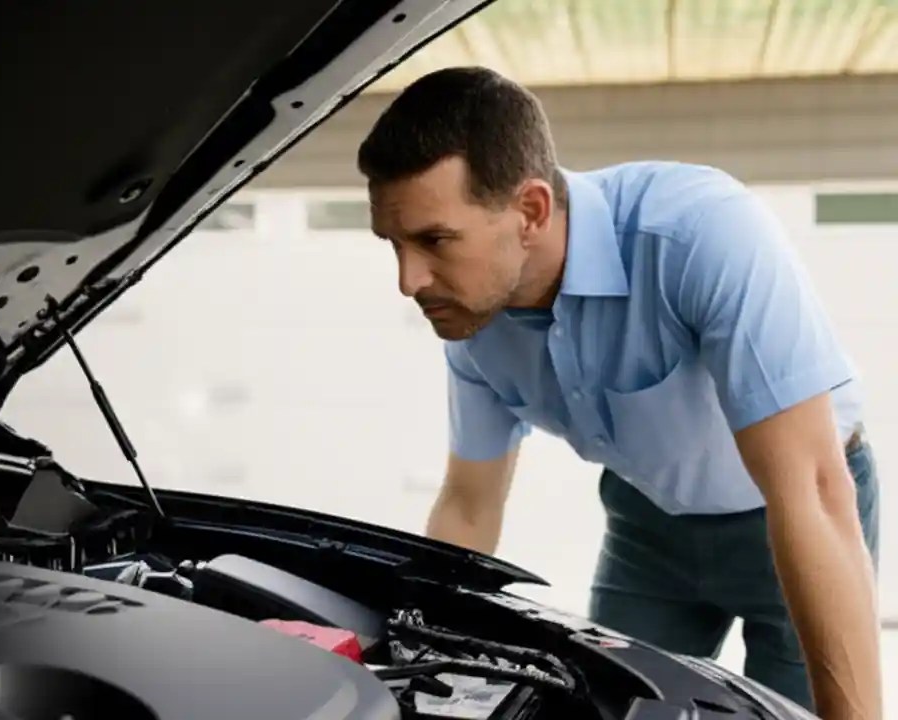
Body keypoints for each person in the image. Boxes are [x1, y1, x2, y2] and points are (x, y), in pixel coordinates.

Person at [357, 66, 881, 719]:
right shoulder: (469, 315)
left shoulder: (698, 234)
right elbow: (468, 507)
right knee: (604, 707)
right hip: (647, 523)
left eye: (434, 240)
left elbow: (813, 491)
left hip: (792, 508)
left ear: (531, 211)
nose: (409, 280)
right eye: (395, 244)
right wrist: (413, 661)